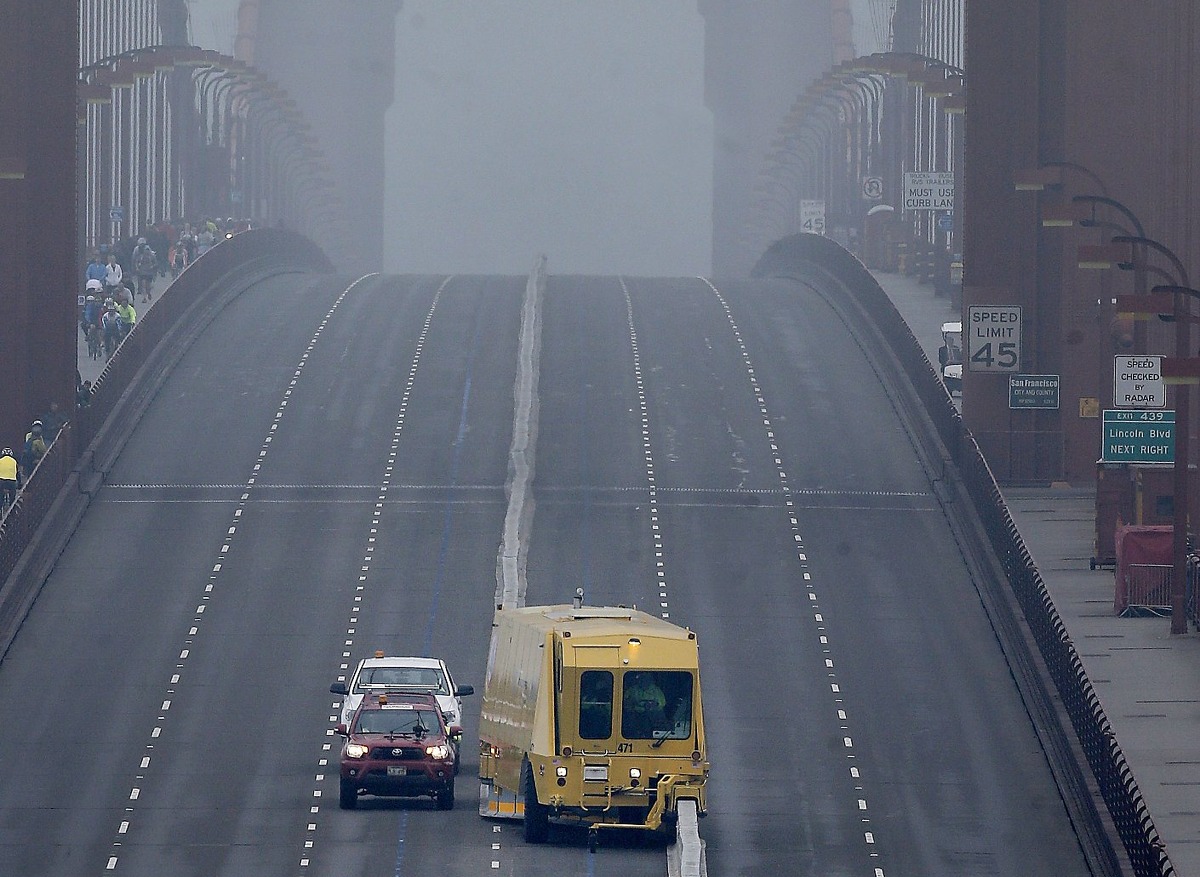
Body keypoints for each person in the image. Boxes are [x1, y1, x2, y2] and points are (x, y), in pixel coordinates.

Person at [622, 672, 667, 737]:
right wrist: (632, 704)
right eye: (642, 679)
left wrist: (654, 705)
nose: (644, 680)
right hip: (635, 715)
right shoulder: (633, 689)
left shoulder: (656, 690)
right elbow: (624, 701)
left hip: (652, 716)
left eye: (646, 679)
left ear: (650, 680)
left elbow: (662, 703)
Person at [131, 237, 157, 302]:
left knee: (148, 286)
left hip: (149, 272)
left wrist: (152, 267)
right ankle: (144, 298)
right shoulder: (139, 254)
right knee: (143, 285)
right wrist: (136, 268)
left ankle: (148, 293)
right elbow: (136, 261)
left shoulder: (151, 256)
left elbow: (155, 263)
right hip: (142, 272)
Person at [0, 446, 19, 511]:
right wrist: (19, 483)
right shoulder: (14, 461)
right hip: (12, 481)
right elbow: (17, 472)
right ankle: (12, 508)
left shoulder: (0, 461)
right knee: (12, 495)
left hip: (1, 481)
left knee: (0, 495)